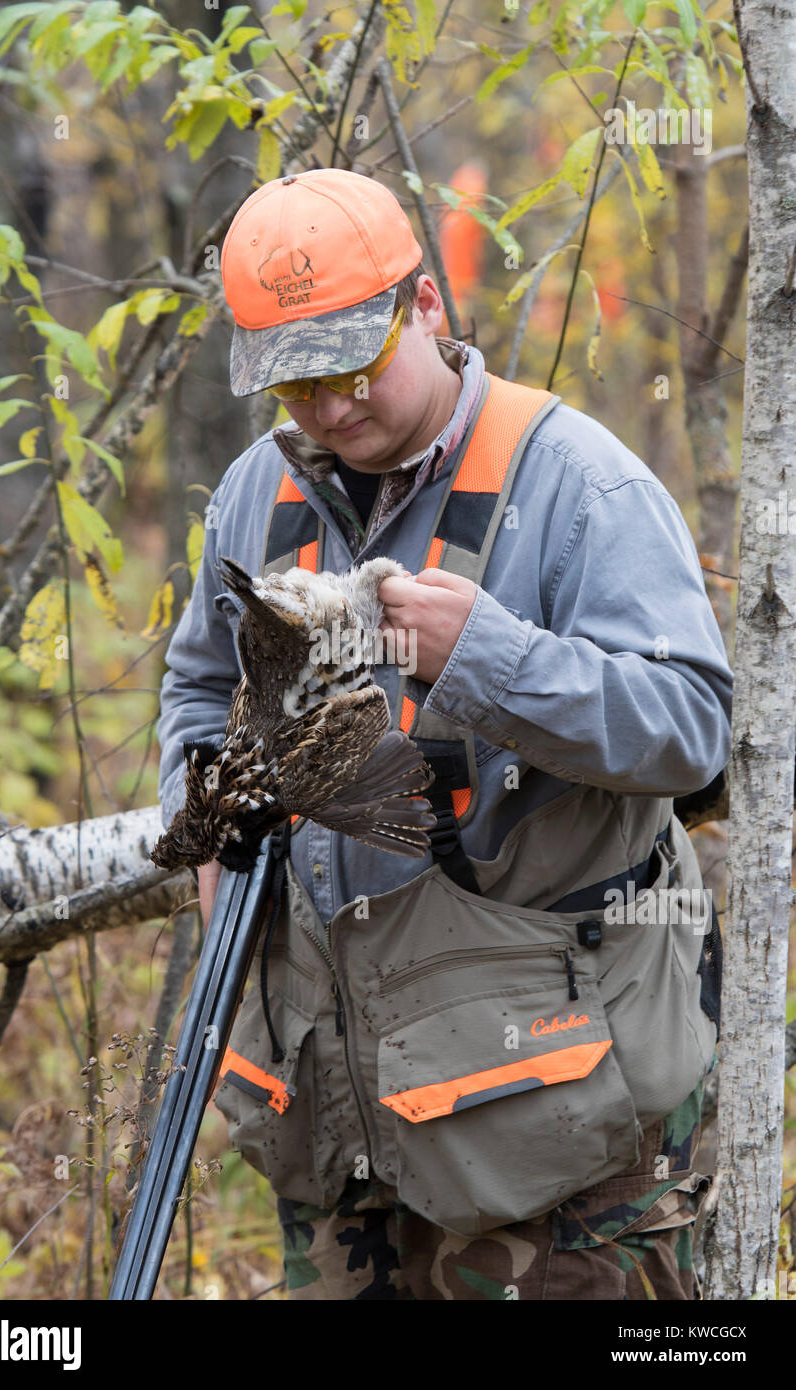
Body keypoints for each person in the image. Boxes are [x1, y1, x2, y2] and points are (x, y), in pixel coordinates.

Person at [156, 167, 733, 1300]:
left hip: (557, 1117)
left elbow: (691, 733)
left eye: (350, 368)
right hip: (339, 1115)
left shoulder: (575, 484)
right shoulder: (249, 494)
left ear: (425, 305)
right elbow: (196, 686)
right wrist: (210, 833)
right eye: (292, 382)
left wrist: (485, 658)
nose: (324, 408)